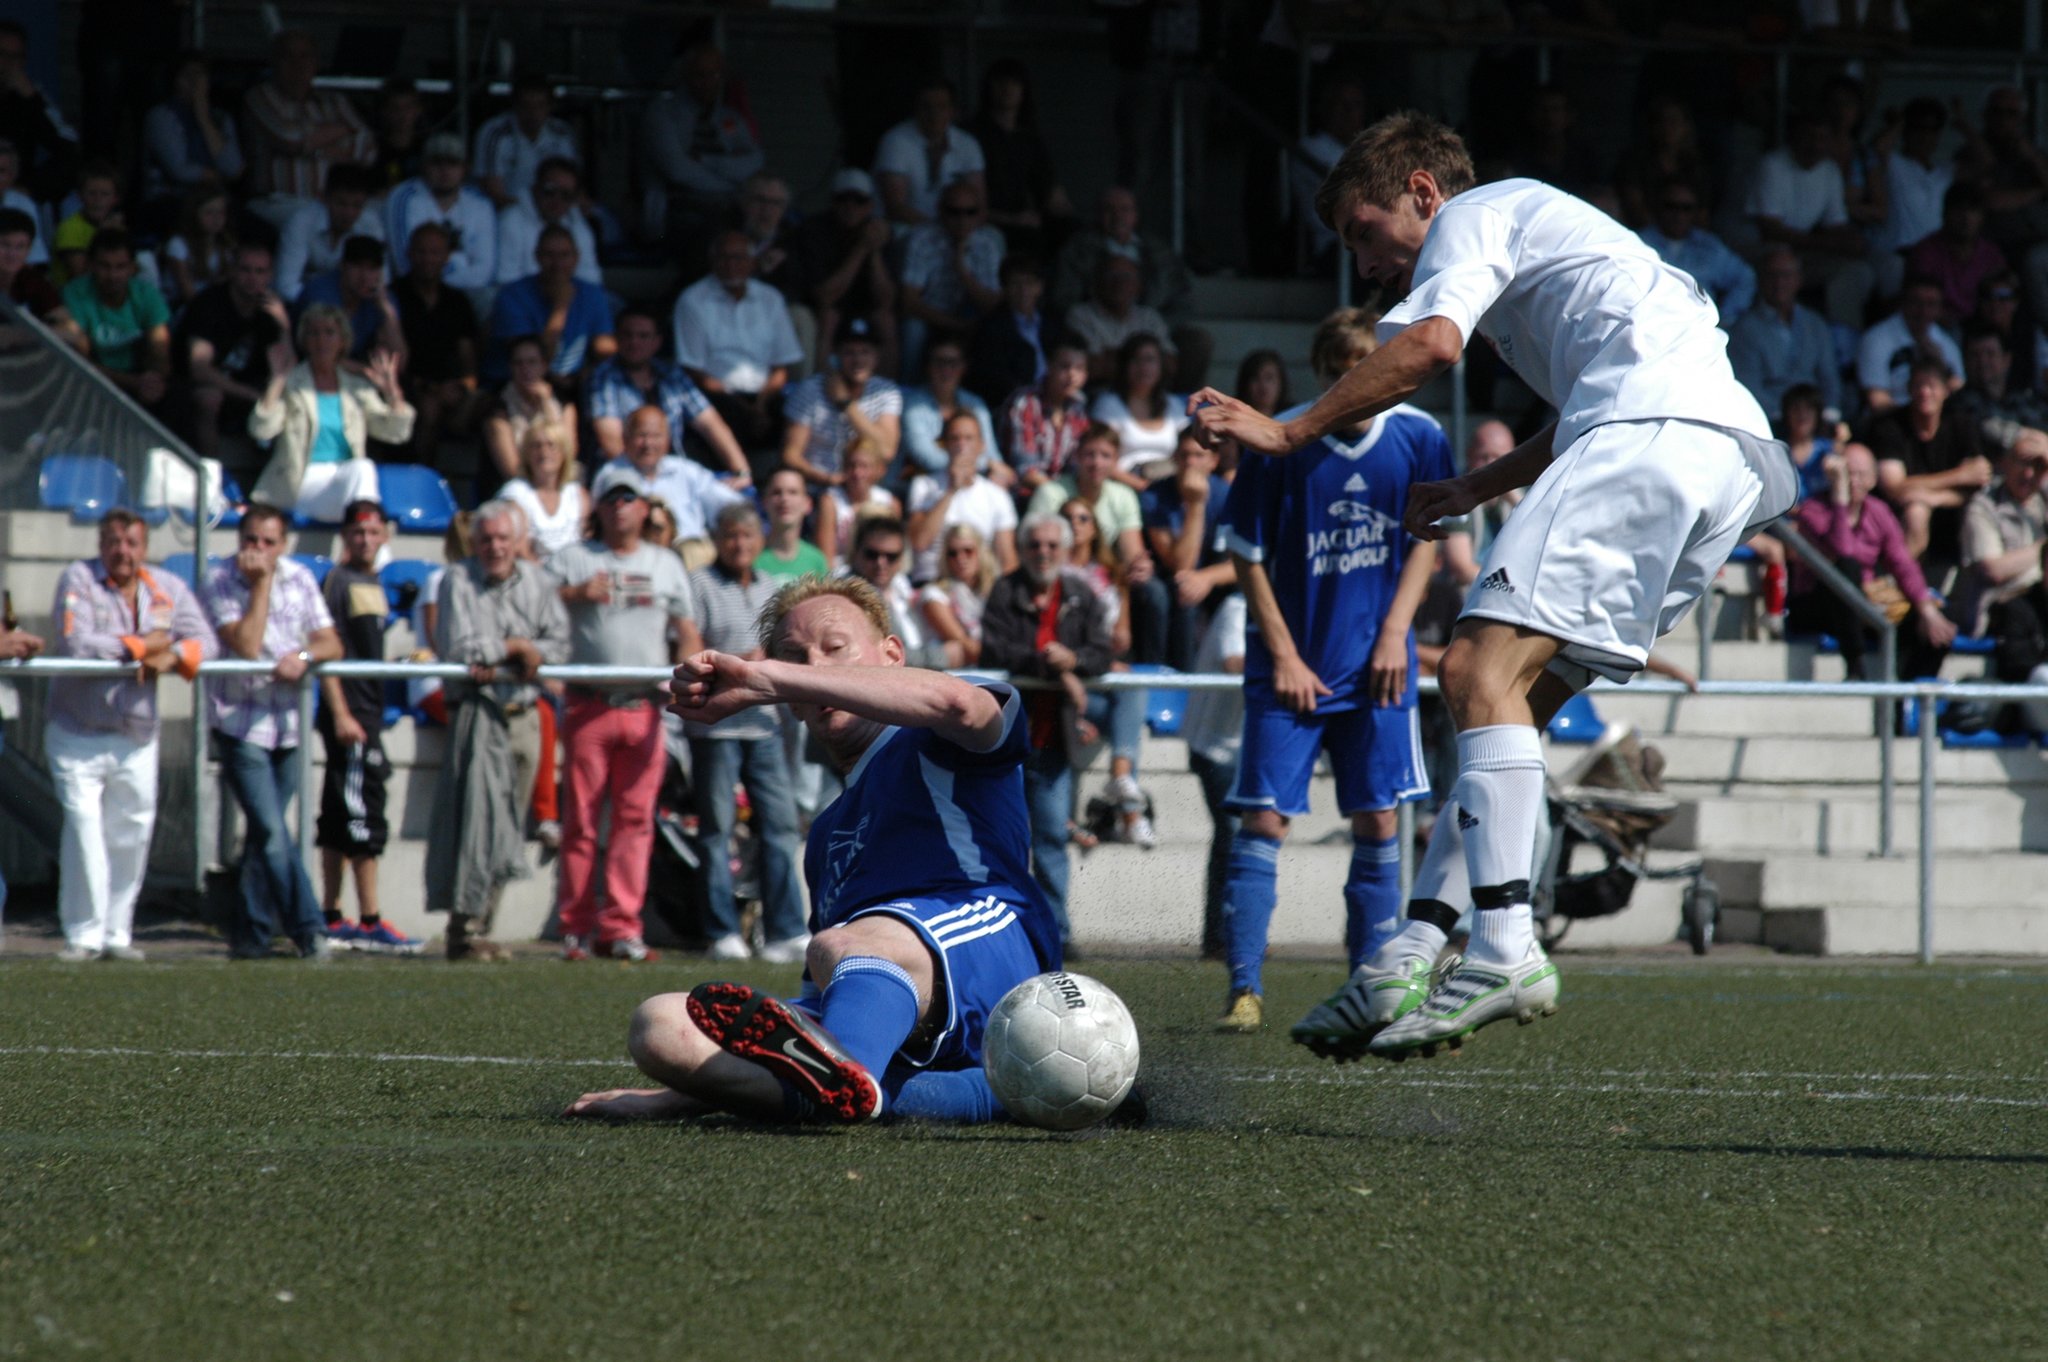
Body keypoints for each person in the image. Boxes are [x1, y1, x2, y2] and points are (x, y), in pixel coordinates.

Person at [1190, 111, 1797, 1060]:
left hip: (1652, 438)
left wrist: (1289, 428)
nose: (1366, 265)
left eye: (1364, 232)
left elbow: (1432, 346)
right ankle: (1412, 947)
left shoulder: (1474, 216)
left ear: (1422, 192)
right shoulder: (1542, 240)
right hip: (1723, 464)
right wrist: (1476, 487)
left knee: (1472, 671)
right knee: (1511, 707)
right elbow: (1587, 405)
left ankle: (1507, 946)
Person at [564, 574, 1062, 1126]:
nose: (816, 668)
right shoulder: (827, 836)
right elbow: (824, 999)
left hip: (992, 949)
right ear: (795, 705)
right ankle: (948, 1093)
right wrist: (687, 1089)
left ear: (892, 655)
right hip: (892, 994)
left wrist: (769, 674)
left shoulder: (941, 733)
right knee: (662, 1024)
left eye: (835, 647)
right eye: (798, 658)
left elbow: (959, 705)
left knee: (841, 944)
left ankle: (848, 1081)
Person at [1208, 308, 1448, 1034]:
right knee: (1263, 820)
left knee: (1378, 819)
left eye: (1366, 368)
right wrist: (1283, 654)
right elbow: (1246, 553)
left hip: (1378, 668)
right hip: (1292, 669)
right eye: (1340, 371)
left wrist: (1396, 633)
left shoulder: (1419, 437)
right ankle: (1245, 988)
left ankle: (1367, 987)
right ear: (1320, 374)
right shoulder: (1279, 439)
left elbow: (1429, 539)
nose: (1355, 383)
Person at [551, 464, 702, 963]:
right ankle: (575, 927)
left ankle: (621, 927)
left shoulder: (665, 563)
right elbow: (534, 601)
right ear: (598, 506)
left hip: (644, 707)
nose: (620, 507)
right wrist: (576, 594)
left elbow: (686, 628)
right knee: (580, 821)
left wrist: (692, 675)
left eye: (629, 498)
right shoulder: (574, 558)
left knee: (635, 822)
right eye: (612, 498)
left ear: (644, 508)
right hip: (588, 703)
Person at [46, 511, 210, 962]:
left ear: (145, 547)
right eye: (114, 542)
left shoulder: (165, 586)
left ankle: (117, 932)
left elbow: (205, 640)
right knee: (84, 832)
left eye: (132, 543)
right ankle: (83, 934)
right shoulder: (79, 578)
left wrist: (171, 653)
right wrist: (142, 645)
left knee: (131, 835)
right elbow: (77, 643)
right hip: (77, 731)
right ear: (101, 544)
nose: (123, 551)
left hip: (136, 735)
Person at [426, 498, 570, 960]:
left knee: (507, 829)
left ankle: (481, 927)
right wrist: (517, 648)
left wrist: (516, 650)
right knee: (475, 823)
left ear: (517, 541)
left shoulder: (539, 582)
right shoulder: (457, 580)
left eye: (503, 538)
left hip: (525, 716)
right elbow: (459, 647)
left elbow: (559, 646)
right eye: (486, 539)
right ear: (474, 542)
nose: (495, 547)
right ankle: (462, 929)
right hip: (479, 713)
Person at [203, 505, 346, 960]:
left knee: (266, 834)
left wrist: (302, 657)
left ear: (282, 545)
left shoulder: (300, 577)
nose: (259, 550)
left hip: (289, 723)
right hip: (240, 722)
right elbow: (247, 644)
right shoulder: (220, 580)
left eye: (268, 542)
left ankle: (251, 934)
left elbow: (331, 642)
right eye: (251, 540)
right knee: (270, 830)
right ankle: (309, 928)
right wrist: (260, 585)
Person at [979, 511, 1116, 945]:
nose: (1043, 552)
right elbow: (994, 650)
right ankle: (1000, 933)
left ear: (1066, 549)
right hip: (1005, 738)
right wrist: (1053, 666)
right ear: (1022, 549)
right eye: (1035, 544)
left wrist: (1073, 662)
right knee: (1003, 841)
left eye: (1052, 545)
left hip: (1053, 739)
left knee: (1052, 837)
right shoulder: (1004, 591)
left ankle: (1056, 935)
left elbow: (1102, 652)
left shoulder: (1080, 594)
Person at [686, 503, 807, 963]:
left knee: (780, 826)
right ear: (718, 539)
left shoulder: (771, 587)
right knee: (716, 831)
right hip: (715, 727)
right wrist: (746, 662)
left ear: (760, 541)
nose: (739, 544)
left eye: (747, 535)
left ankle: (785, 931)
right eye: (731, 535)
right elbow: (691, 654)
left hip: (764, 724)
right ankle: (722, 932)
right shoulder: (699, 583)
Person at [316, 502, 424, 954]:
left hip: (367, 711)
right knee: (362, 818)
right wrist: (341, 712)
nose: (365, 540)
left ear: (385, 535)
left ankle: (332, 916)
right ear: (345, 535)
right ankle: (368, 920)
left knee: (340, 815)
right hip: (353, 716)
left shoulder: (374, 583)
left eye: (373, 532)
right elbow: (326, 648)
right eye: (358, 532)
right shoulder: (339, 582)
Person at [1789, 443, 1956, 679]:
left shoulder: (1878, 511)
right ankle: (1856, 669)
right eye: (1848, 474)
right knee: (1847, 568)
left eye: (1861, 474)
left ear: (1873, 479)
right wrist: (1840, 499)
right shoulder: (1812, 511)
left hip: (1863, 606)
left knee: (1936, 624)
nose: (1854, 481)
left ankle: (1902, 690)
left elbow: (1902, 563)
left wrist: (1926, 608)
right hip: (1820, 603)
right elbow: (1843, 550)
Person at [248, 304, 413, 522]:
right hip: (302, 481)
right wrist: (277, 381)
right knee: (362, 472)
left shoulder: (356, 387)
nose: (321, 340)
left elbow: (395, 433)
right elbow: (261, 430)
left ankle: (363, 530)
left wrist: (392, 393)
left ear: (342, 340)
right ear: (304, 341)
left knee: (362, 469)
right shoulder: (292, 382)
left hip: (345, 479)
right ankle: (369, 533)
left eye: (329, 333)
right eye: (314, 333)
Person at [1051, 186, 1211, 390]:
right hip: (1098, 328)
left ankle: (1180, 403)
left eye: (1125, 209)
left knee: (1197, 342)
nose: (1118, 216)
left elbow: (1183, 301)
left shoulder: (1158, 250)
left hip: (1150, 328)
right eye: (1110, 209)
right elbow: (1063, 299)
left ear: (1136, 215)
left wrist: (1151, 331)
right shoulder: (1078, 249)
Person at [672, 229, 802, 457]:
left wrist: (760, 405)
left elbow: (781, 366)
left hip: (766, 396)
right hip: (717, 395)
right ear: (713, 261)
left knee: (797, 413)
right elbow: (693, 370)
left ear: (752, 262)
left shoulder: (771, 299)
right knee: (725, 415)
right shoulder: (692, 300)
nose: (731, 264)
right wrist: (744, 407)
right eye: (724, 257)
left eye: (739, 257)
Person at [1745, 107, 1874, 329]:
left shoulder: (1829, 169)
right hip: (1756, 248)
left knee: (1858, 270)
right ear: (1794, 137)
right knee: (1780, 262)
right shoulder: (1772, 164)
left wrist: (1853, 240)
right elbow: (1770, 230)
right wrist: (1830, 244)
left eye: (1822, 138)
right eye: (1809, 137)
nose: (1815, 145)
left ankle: (1843, 338)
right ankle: (1771, 330)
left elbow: (1836, 224)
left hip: (1800, 251)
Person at [588, 306, 749, 478]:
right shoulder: (603, 377)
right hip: (622, 475)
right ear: (617, 338)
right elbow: (611, 442)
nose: (634, 342)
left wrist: (741, 471)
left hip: (673, 470)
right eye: (627, 335)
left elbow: (710, 424)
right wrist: (646, 482)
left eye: (643, 336)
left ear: (657, 341)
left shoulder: (672, 374)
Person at [240, 29, 375, 227]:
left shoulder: (334, 101)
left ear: (316, 63)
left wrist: (312, 146)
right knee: (311, 222)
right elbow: (290, 138)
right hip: (278, 202)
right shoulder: (260, 96)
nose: (298, 63)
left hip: (329, 204)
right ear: (274, 62)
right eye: (288, 56)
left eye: (305, 56)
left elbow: (368, 150)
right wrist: (343, 130)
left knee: (373, 224)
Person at [1871, 354, 1989, 571]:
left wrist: (1934, 497)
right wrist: (1959, 476)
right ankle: (1901, 580)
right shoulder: (1891, 426)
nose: (1925, 393)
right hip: (1898, 517)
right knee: (1916, 511)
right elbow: (1894, 488)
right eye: (1919, 385)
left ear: (1946, 390)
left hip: (1955, 514)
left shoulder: (1962, 423)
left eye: (1932, 386)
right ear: (1909, 389)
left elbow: (1978, 481)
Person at [176, 239, 289, 465]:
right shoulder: (208, 304)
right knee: (210, 398)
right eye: (245, 270)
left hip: (247, 391)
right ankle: (211, 474)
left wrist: (284, 326)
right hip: (191, 390)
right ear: (233, 270)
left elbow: (287, 367)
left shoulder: (270, 309)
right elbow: (200, 370)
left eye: (260, 271)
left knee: (290, 396)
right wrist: (252, 395)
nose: (252, 278)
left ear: (270, 275)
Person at [640, 38, 764, 240]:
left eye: (715, 75)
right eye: (701, 75)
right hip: (678, 208)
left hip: (729, 204)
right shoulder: (662, 113)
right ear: (686, 75)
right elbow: (678, 171)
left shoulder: (730, 118)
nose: (708, 82)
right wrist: (733, 184)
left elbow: (755, 162)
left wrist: (706, 160)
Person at [1180, 590, 1246, 962]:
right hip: (1213, 744)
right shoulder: (1238, 606)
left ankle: (1232, 934)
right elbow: (1234, 662)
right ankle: (1222, 936)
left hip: (1245, 747)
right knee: (1232, 832)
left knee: (1241, 835)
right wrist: (1288, 660)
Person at [1140, 427, 1236, 670]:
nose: (1190, 462)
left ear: (1214, 461)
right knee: (1169, 591)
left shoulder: (1227, 495)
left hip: (1212, 578)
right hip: (1169, 577)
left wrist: (1208, 577)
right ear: (1175, 458)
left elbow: (1244, 561)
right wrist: (1196, 504)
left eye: (1198, 455)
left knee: (1192, 591)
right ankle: (1155, 674)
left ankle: (1189, 679)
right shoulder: (1155, 495)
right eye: (1184, 455)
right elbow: (1181, 565)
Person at [601, 405, 747, 563]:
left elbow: (732, 508)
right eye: (641, 435)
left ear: (668, 439)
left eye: (656, 436)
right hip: (640, 560)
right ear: (625, 437)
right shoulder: (611, 475)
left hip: (695, 558)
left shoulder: (686, 471)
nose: (648, 443)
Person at [1956, 433, 2048, 682]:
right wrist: (2043, 548)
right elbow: (1993, 569)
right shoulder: (1983, 507)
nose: (2029, 473)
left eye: (2038, 466)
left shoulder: (2042, 500)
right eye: (2023, 462)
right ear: (2004, 462)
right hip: (2000, 613)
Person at [391, 222, 483, 465]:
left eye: (435, 252)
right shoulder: (394, 296)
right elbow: (390, 359)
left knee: (490, 407)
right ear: (409, 254)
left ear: (446, 257)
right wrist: (428, 388)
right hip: (406, 387)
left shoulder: (457, 301)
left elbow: (468, 361)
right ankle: (422, 478)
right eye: (421, 251)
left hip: (452, 389)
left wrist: (464, 386)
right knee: (429, 408)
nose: (428, 259)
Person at [792, 168, 897, 375]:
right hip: (824, 309)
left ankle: (888, 388)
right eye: (843, 199)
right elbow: (825, 297)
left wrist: (874, 251)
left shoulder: (881, 231)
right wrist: (861, 248)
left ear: (870, 205)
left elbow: (886, 300)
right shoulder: (814, 231)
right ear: (832, 202)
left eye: (859, 200)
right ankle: (821, 385)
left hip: (864, 308)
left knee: (885, 319)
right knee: (829, 316)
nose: (851, 207)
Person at [781, 316, 902, 490]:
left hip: (863, 487)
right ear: (836, 355)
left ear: (876, 357)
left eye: (865, 352)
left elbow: (886, 451)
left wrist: (846, 404)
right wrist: (827, 479)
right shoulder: (810, 390)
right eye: (849, 352)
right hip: (816, 484)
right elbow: (790, 455)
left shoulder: (886, 392)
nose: (858, 360)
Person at [966, 58, 1074, 251]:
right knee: (1029, 238)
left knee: (1070, 229)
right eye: (1001, 82)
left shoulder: (1029, 139)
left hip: (1023, 217)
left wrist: (1058, 203)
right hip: (985, 218)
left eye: (1014, 82)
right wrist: (1012, 219)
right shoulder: (971, 136)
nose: (1007, 88)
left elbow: (1047, 186)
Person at [898, 180, 1003, 374]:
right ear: (941, 211)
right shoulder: (922, 238)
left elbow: (993, 304)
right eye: (954, 212)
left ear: (980, 213)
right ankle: (908, 386)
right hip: (929, 314)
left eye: (970, 212)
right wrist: (956, 325)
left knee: (995, 328)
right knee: (913, 329)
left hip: (971, 315)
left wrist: (962, 271)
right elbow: (909, 302)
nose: (962, 219)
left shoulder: (988, 243)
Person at [487, 224, 614, 381]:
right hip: (517, 382)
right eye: (549, 255)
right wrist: (560, 306)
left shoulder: (592, 294)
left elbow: (605, 350)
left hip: (573, 383)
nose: (557, 264)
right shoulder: (512, 296)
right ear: (537, 256)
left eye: (564, 255)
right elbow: (528, 360)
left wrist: (583, 376)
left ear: (576, 257)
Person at [62, 228, 170, 412]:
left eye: (121, 266)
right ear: (91, 265)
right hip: (93, 383)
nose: (113, 275)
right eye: (105, 266)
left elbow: (160, 350)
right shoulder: (74, 294)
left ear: (133, 268)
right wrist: (132, 383)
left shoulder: (147, 294)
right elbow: (78, 359)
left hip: (141, 377)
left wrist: (153, 383)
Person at [1728, 246, 1843, 419]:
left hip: (1815, 420)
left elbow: (1829, 378)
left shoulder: (1815, 324)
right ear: (1760, 279)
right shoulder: (1743, 329)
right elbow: (1749, 388)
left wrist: (1829, 415)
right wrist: (1787, 422)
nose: (1779, 283)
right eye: (1772, 275)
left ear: (1799, 279)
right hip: (1770, 421)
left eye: (1786, 275)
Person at [907, 410, 1020, 583]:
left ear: (982, 445)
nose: (961, 445)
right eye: (955, 438)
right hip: (931, 582)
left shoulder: (997, 496)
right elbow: (919, 542)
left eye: (969, 438)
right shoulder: (924, 485)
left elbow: (1007, 559)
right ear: (944, 444)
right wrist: (952, 490)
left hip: (977, 586)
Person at [384, 132, 498, 296]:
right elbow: (405, 265)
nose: (444, 171)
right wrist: (460, 264)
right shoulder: (404, 197)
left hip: (469, 292)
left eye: (452, 163)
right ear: (424, 166)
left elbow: (486, 270)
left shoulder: (480, 203)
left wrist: (447, 281)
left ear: (465, 168)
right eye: (437, 163)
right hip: (416, 293)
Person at [1638, 180, 1754, 327]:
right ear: (1657, 207)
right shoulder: (1639, 243)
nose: (1678, 214)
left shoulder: (1710, 246)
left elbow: (1745, 278)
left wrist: (1723, 318)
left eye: (1686, 208)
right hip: (1652, 328)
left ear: (1696, 212)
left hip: (1700, 330)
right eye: (1671, 206)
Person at [873, 76, 985, 229]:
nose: (934, 113)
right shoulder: (895, 141)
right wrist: (938, 231)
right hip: (906, 229)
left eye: (941, 106)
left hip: (957, 230)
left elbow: (979, 202)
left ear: (953, 111)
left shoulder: (968, 144)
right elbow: (895, 207)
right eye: (927, 106)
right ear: (916, 109)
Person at [1871, 98, 1954, 301]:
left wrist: (1963, 124)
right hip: (1897, 254)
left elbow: (1986, 163)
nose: (1924, 136)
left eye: (1932, 130)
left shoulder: (1945, 171)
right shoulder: (1894, 163)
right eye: (1918, 128)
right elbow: (1879, 147)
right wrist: (1899, 122)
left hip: (1935, 256)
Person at [1904, 183, 2010, 332]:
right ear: (1945, 214)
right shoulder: (1926, 252)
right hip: (1939, 328)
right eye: (1959, 210)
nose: (1966, 218)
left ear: (1982, 216)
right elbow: (1920, 303)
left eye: (1973, 210)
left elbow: (2003, 296)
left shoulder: (1991, 254)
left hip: (1982, 328)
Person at [274, 163, 384, 304]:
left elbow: (380, 282)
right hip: (305, 307)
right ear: (324, 198)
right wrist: (330, 305)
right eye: (341, 204)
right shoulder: (301, 222)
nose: (349, 213)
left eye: (357, 205)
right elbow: (286, 286)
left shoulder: (371, 226)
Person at [1090, 332, 1188, 487]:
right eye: (1136, 359)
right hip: (1122, 486)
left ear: (1161, 365)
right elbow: (1100, 456)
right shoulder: (1108, 405)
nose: (1144, 367)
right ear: (1124, 365)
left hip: (1169, 485)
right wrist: (1142, 486)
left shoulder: (1173, 404)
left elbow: (1190, 447)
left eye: (1150, 360)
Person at [998, 335, 1092, 495]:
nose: (1072, 375)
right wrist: (1063, 496)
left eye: (1079, 368)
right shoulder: (1024, 403)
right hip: (1024, 496)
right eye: (1064, 367)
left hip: (1064, 493)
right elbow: (1025, 471)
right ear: (1049, 366)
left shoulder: (1079, 407)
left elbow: (1077, 464)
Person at [481, 334, 577, 485]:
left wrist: (547, 405)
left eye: (532, 362)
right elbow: (511, 469)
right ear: (510, 367)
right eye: (518, 363)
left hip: (559, 483)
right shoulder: (497, 408)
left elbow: (568, 452)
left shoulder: (564, 403)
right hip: (519, 485)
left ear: (544, 366)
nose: (525, 369)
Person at [903, 334, 1002, 481]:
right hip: (924, 483)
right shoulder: (913, 404)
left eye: (953, 363)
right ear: (928, 366)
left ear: (964, 367)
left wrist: (994, 467)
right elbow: (925, 456)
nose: (946, 369)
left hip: (973, 480)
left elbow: (991, 453)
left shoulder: (975, 403)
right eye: (939, 362)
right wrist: (984, 465)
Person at [1067, 255, 1176, 387]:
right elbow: (1092, 366)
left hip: (1148, 393)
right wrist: (1147, 359)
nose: (1120, 282)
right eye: (1112, 275)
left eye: (1127, 276)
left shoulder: (1150, 317)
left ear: (1139, 285)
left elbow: (1170, 364)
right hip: (1098, 391)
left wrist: (1111, 357)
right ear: (1098, 281)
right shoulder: (1081, 315)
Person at [494, 155, 601, 289]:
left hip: (568, 297)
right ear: (535, 188)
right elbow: (506, 279)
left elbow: (590, 278)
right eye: (550, 191)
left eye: (566, 195)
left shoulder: (578, 225)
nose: (557, 200)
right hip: (522, 298)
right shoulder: (511, 220)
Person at [473, 73, 578, 209]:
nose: (533, 112)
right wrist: (529, 213)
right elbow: (493, 191)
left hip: (554, 210)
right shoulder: (495, 133)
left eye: (540, 105)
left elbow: (571, 184)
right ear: (515, 105)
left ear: (550, 106)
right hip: (508, 210)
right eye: (526, 105)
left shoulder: (562, 132)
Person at [296, 234, 407, 364]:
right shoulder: (319, 294)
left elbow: (399, 362)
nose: (365, 277)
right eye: (358, 266)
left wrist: (386, 309)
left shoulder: (382, 298)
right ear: (343, 265)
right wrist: (366, 371)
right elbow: (321, 356)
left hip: (358, 372)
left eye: (372, 268)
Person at [967, 252, 1050, 410]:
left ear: (1040, 287)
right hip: (1013, 404)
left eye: (1029, 283)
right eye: (1015, 283)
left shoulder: (1053, 323)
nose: (1023, 290)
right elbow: (995, 378)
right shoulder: (991, 328)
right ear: (1004, 288)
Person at [501, 419, 588, 559]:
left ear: (564, 452)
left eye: (551, 445)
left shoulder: (577, 494)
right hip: (533, 570)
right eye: (536, 446)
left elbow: (588, 540)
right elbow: (519, 550)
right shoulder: (515, 494)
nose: (544, 452)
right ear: (527, 454)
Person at [920, 523, 997, 666]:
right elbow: (964, 644)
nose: (961, 558)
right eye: (953, 553)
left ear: (981, 553)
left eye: (968, 551)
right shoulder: (934, 594)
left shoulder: (994, 590)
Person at [817, 441, 902, 568]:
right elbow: (826, 558)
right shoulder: (831, 501)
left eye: (864, 466)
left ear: (878, 470)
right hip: (840, 572)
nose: (857, 473)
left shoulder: (889, 503)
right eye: (852, 465)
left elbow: (894, 550)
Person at [162, 185, 235, 310]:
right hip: (183, 308)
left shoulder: (225, 245)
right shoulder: (178, 244)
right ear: (194, 214)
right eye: (209, 212)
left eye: (221, 212)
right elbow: (188, 294)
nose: (217, 218)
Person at [756, 467, 830, 582]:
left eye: (793, 492)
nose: (784, 499)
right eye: (776, 492)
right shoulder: (751, 557)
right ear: (764, 502)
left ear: (808, 504)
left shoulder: (817, 561)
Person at [1235, 349, 1292, 418]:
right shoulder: (1233, 417)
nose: (1263, 385)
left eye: (1269, 378)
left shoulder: (1294, 418)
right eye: (1255, 378)